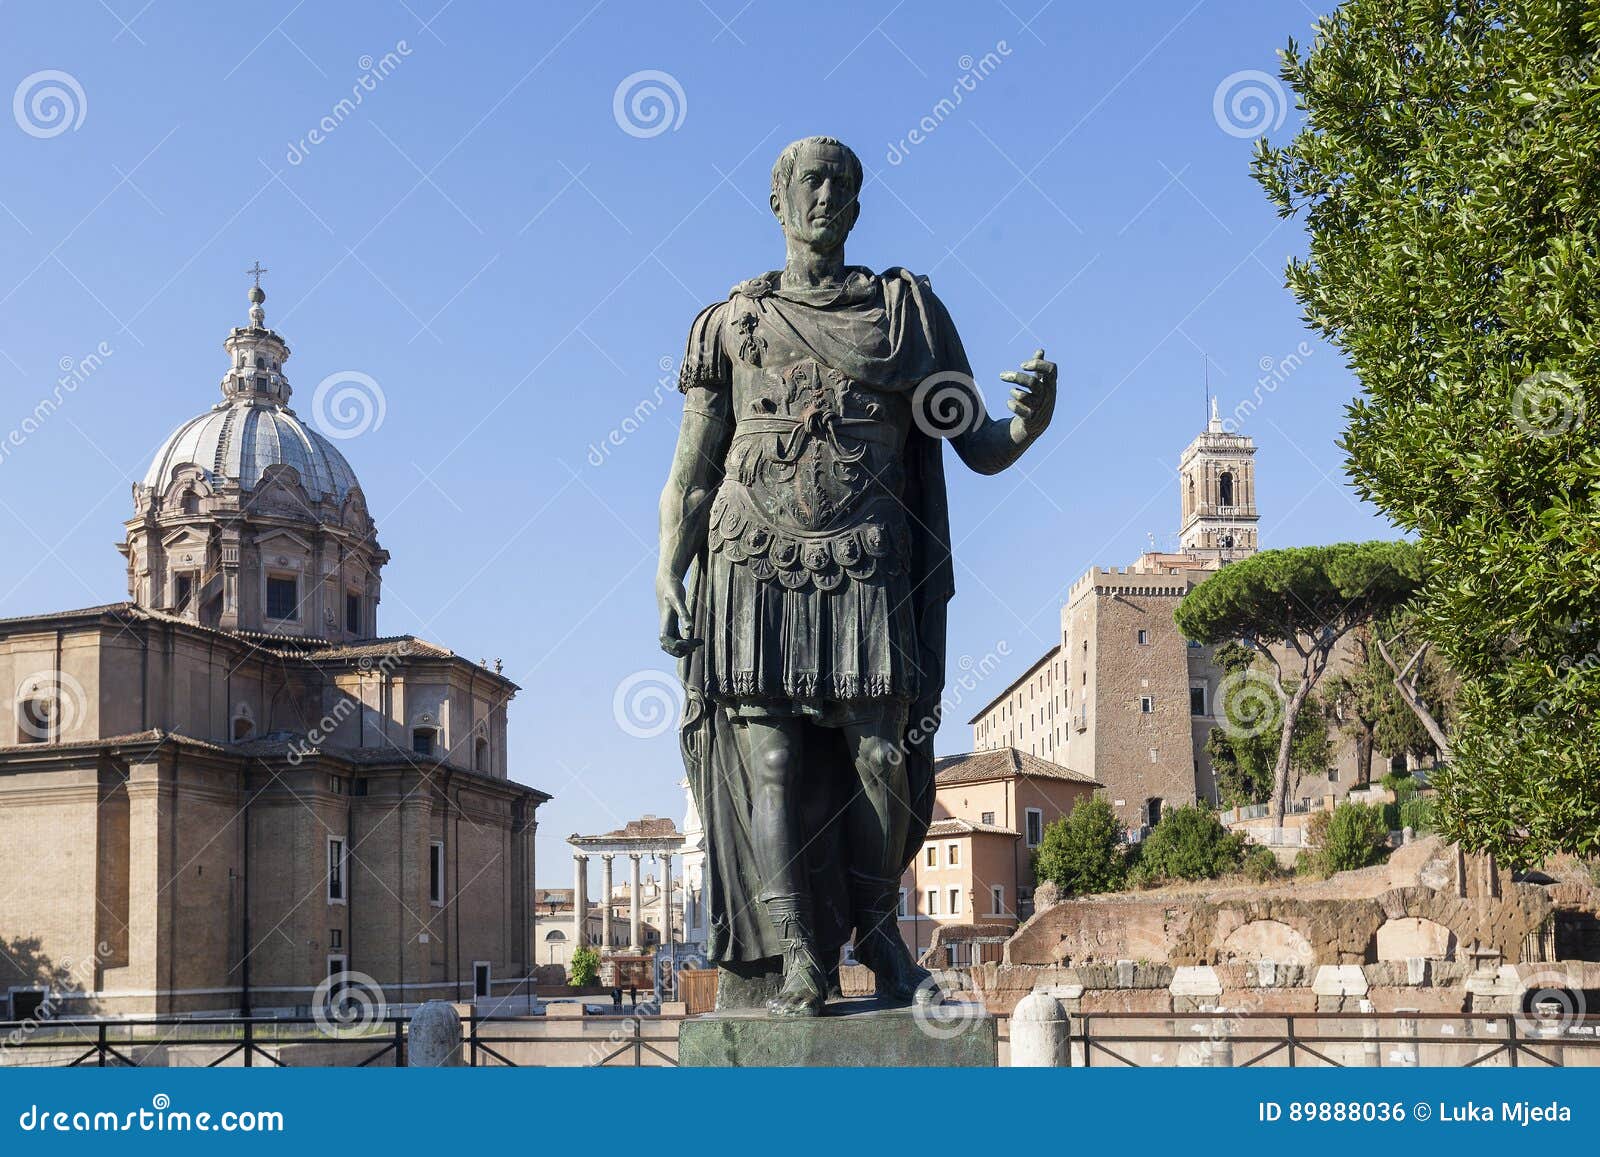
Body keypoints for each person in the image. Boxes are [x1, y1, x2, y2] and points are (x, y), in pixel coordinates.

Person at [657, 137, 1057, 1016]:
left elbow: (978, 443)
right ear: (777, 200)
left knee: (883, 753)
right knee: (769, 758)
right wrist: (668, 567)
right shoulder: (729, 324)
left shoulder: (903, 317)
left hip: (869, 558)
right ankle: (796, 950)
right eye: (810, 181)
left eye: (843, 181)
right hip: (750, 557)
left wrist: (1029, 425)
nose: (826, 195)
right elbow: (692, 467)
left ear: (858, 204)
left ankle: (878, 933)